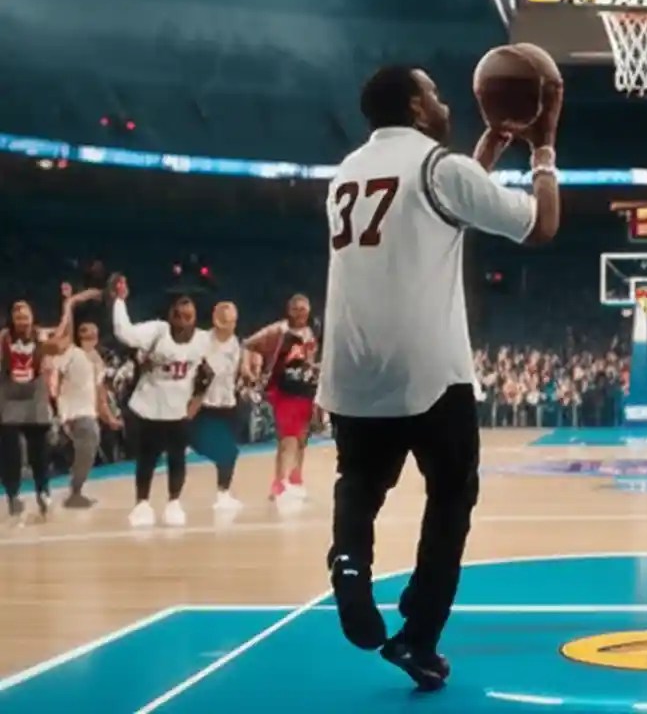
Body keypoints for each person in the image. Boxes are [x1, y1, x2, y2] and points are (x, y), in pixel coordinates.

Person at [317, 64, 561, 691]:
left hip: (349, 362)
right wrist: (543, 147)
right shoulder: (440, 168)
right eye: (434, 93)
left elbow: (438, 206)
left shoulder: (346, 172)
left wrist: (486, 152)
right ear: (416, 108)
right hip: (426, 367)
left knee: (361, 479)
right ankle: (418, 636)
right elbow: (541, 225)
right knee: (452, 495)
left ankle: (349, 563)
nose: (445, 100)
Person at [111, 276, 213, 528]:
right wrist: (119, 302)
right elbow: (124, 332)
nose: (183, 316)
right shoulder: (157, 331)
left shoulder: (203, 340)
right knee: (147, 457)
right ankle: (142, 503)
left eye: (188, 311)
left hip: (179, 409)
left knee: (178, 457)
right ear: (170, 314)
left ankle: (174, 502)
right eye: (178, 311)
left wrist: (198, 400)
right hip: (149, 406)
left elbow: (208, 373)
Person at [1, 291, 83, 517]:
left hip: (35, 400)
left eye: (24, 312)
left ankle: (43, 490)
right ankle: (13, 494)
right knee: (10, 453)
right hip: (8, 400)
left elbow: (65, 341)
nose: (21, 316)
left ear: (32, 317)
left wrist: (68, 305)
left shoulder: (41, 337)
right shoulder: (3, 339)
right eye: (16, 313)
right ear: (11, 318)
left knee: (39, 452)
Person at [47, 290, 122, 508]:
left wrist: (109, 417)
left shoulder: (97, 361)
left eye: (92, 333)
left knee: (88, 449)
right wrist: (70, 301)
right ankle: (74, 491)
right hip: (73, 412)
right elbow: (57, 381)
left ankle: (75, 490)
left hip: (87, 412)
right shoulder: (71, 353)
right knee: (87, 446)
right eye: (84, 332)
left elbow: (99, 393)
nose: (88, 335)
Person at [243, 295, 319, 502]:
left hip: (304, 390)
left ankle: (296, 479)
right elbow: (249, 344)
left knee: (302, 439)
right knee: (286, 439)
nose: (300, 313)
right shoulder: (278, 330)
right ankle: (278, 483)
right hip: (283, 391)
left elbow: (307, 361)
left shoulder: (309, 333)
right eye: (296, 309)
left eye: (304, 309)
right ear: (289, 310)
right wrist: (251, 369)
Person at [190, 302, 245, 513]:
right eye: (227, 321)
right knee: (221, 449)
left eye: (233, 321)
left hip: (226, 404)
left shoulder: (234, 344)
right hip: (204, 405)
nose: (231, 326)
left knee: (229, 451)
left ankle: (223, 493)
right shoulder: (202, 340)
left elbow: (231, 373)